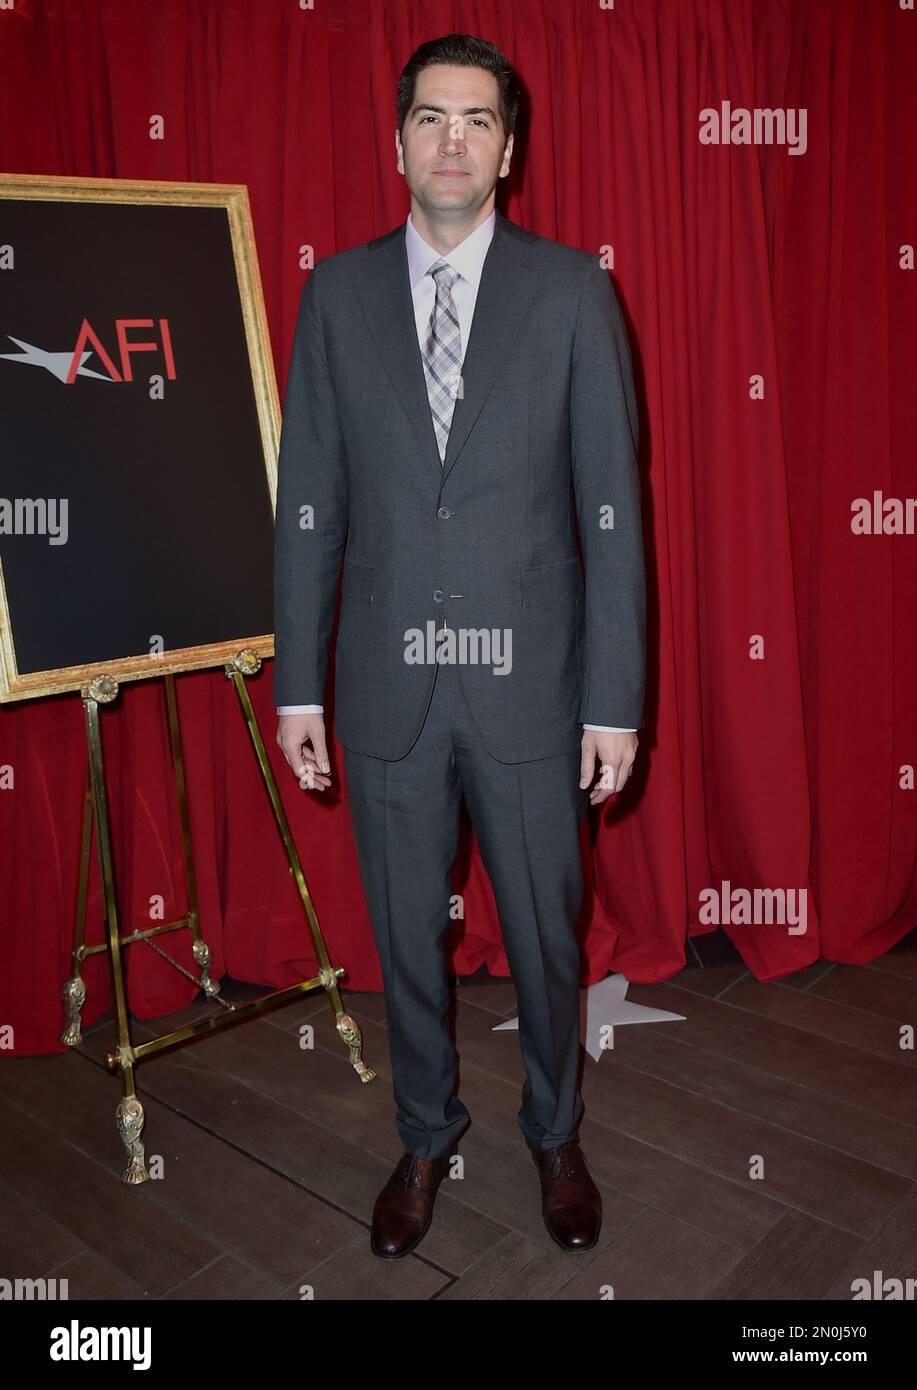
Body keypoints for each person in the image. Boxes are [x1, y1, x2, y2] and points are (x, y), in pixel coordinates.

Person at [273, 32, 645, 1260]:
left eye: (476, 120)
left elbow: (610, 510)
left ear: (508, 150)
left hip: (533, 688)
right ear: (396, 142)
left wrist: (611, 698)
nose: (450, 140)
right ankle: (424, 1131)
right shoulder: (333, 295)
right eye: (429, 118)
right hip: (384, 685)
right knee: (402, 936)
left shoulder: (572, 293)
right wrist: (296, 686)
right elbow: (310, 502)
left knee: (545, 935)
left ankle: (553, 1128)